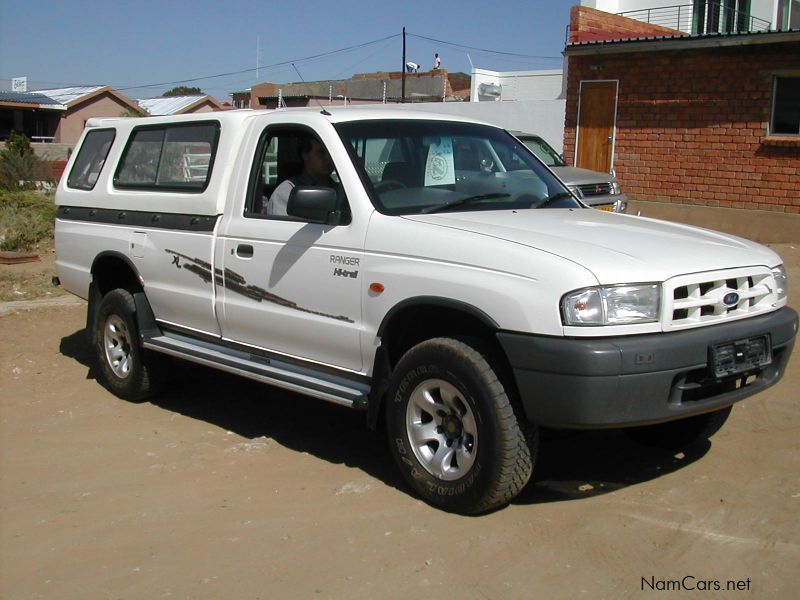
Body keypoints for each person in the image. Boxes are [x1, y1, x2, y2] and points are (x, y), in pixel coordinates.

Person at [265, 136, 335, 217]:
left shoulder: (342, 191)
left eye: (331, 153)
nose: (328, 158)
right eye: (321, 152)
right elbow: (282, 228)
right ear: (305, 154)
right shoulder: (286, 192)